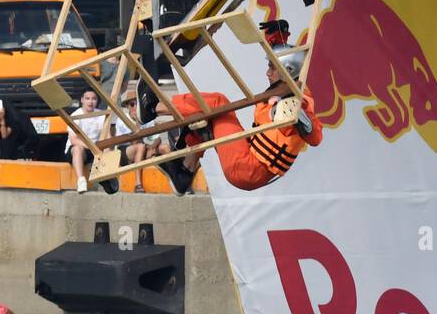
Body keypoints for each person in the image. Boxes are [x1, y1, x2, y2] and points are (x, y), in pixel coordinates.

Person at [154, 19, 322, 195]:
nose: (267, 72)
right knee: (204, 116)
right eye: (269, 66)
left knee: (219, 102)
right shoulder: (284, 83)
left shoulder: (298, 100)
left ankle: (153, 108)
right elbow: (283, 59)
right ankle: (184, 173)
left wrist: (301, 119)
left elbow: (316, 137)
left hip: (247, 168)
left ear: (288, 71)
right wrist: (278, 36)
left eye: (272, 68)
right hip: (248, 158)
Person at [65, 89, 113, 193]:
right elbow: (73, 139)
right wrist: (91, 147)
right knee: (78, 149)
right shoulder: (75, 115)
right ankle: (81, 180)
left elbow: (108, 136)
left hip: (95, 148)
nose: (90, 102)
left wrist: (105, 148)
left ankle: (107, 179)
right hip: (79, 149)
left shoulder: (101, 114)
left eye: (93, 99)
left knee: (108, 148)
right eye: (87, 98)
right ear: (82, 100)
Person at [120, 83, 171, 169]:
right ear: (127, 107)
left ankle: (174, 175)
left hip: (145, 148)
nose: (135, 106)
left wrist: (152, 147)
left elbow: (157, 138)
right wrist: (137, 121)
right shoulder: (124, 119)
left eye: (137, 103)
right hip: (127, 152)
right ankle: (138, 181)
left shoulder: (146, 118)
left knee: (165, 148)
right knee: (141, 148)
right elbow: (132, 143)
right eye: (132, 104)